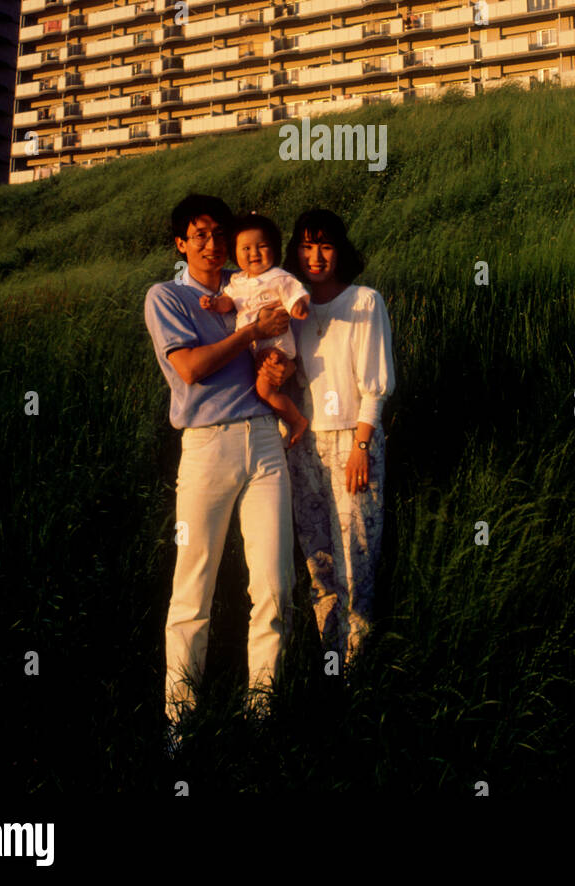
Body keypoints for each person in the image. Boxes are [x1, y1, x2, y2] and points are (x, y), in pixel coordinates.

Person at [143, 193, 295, 737]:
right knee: (193, 589)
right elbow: (190, 369)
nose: (212, 244)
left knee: (275, 586)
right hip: (207, 448)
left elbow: (286, 331)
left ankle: (264, 715)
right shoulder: (166, 296)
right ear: (181, 243)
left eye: (218, 233)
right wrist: (251, 333)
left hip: (265, 441)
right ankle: (180, 725)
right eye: (199, 235)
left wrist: (277, 368)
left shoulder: (245, 285)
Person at [283, 208, 395, 668]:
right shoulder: (291, 308)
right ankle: (329, 655)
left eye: (325, 245)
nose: (316, 256)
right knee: (318, 556)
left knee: (357, 554)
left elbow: (376, 384)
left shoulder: (364, 302)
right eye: (307, 246)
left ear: (340, 250)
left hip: (353, 437)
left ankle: (356, 664)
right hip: (304, 444)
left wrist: (362, 447)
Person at [198, 212, 310, 448]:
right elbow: (229, 301)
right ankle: (281, 419)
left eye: (262, 246)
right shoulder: (236, 282)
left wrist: (297, 307)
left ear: (274, 249)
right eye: (246, 249)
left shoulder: (279, 277)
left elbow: (295, 296)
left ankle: (296, 420)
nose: (254, 253)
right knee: (261, 386)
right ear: (234, 253)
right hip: (253, 346)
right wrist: (215, 303)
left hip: (275, 345)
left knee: (264, 389)